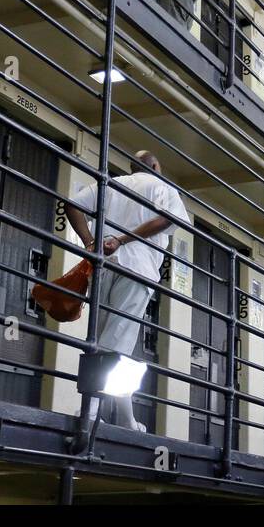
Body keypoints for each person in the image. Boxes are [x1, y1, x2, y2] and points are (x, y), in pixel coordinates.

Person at [62, 150, 189, 431]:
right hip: (137, 268)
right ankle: (91, 409)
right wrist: (122, 239)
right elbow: (167, 220)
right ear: (155, 165)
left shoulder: (112, 183)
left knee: (109, 339)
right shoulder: (163, 187)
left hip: (103, 265)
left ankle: (128, 419)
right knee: (117, 341)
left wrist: (90, 243)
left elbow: (72, 205)